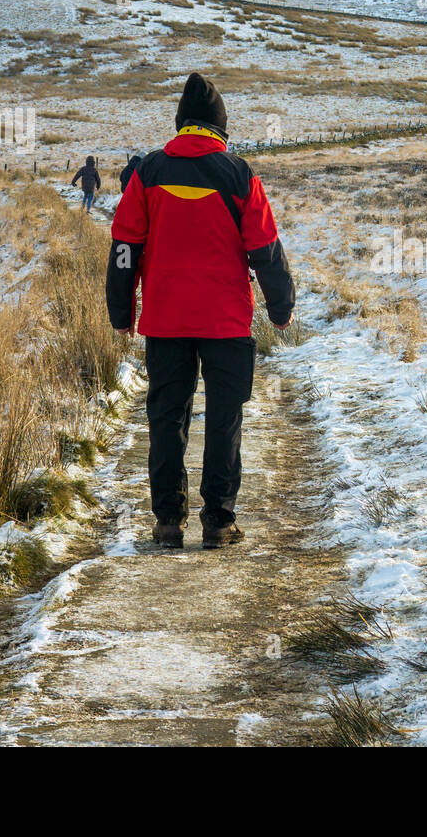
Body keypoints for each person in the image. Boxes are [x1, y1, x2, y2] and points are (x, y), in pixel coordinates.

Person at [105, 73, 295, 550]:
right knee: (224, 417)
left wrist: (121, 310)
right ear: (218, 129)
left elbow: (125, 247)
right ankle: (218, 522)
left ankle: (169, 522)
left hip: (166, 320)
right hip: (226, 322)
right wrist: (280, 307)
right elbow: (266, 248)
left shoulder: (147, 173)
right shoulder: (239, 175)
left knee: (167, 417)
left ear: (181, 125)